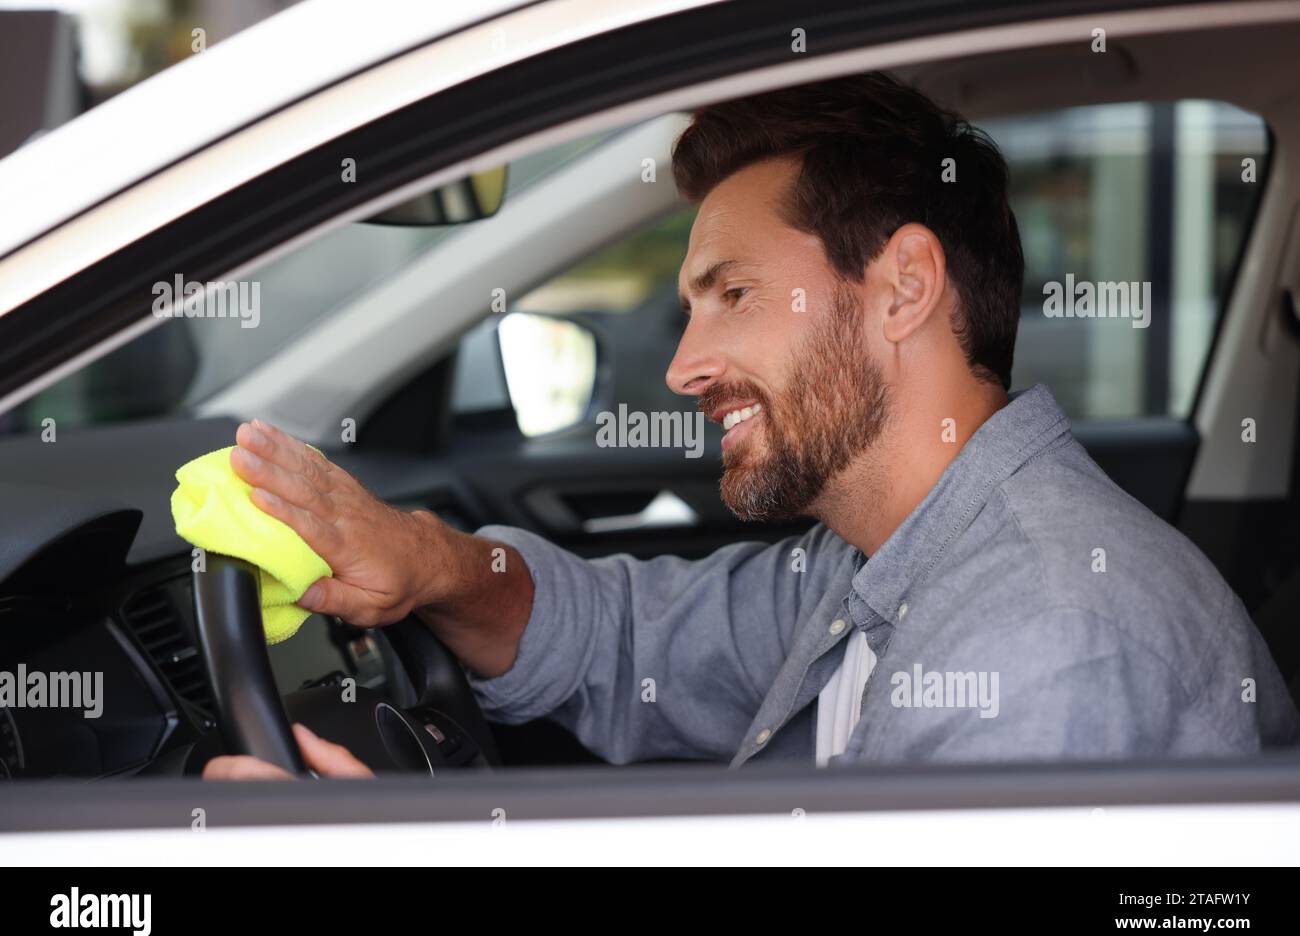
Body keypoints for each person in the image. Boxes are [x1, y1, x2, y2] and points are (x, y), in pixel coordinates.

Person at [205, 73, 1298, 780]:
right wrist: (432, 564)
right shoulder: (877, 558)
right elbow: (627, 644)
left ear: (903, 285)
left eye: (731, 294)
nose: (683, 365)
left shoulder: (1043, 643)